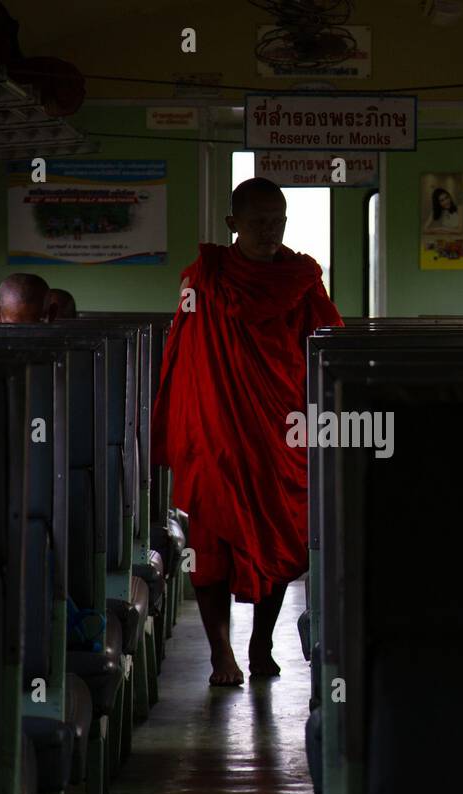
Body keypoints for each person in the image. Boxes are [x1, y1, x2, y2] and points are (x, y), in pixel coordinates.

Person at [151, 177, 343, 686]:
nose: (269, 230)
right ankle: (220, 652)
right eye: (257, 221)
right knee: (211, 543)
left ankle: (261, 643)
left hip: (281, 431)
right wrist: (189, 427)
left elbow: (327, 351)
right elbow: (183, 356)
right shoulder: (205, 278)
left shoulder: (302, 279)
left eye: (278, 220)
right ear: (233, 223)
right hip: (217, 431)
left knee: (281, 540)